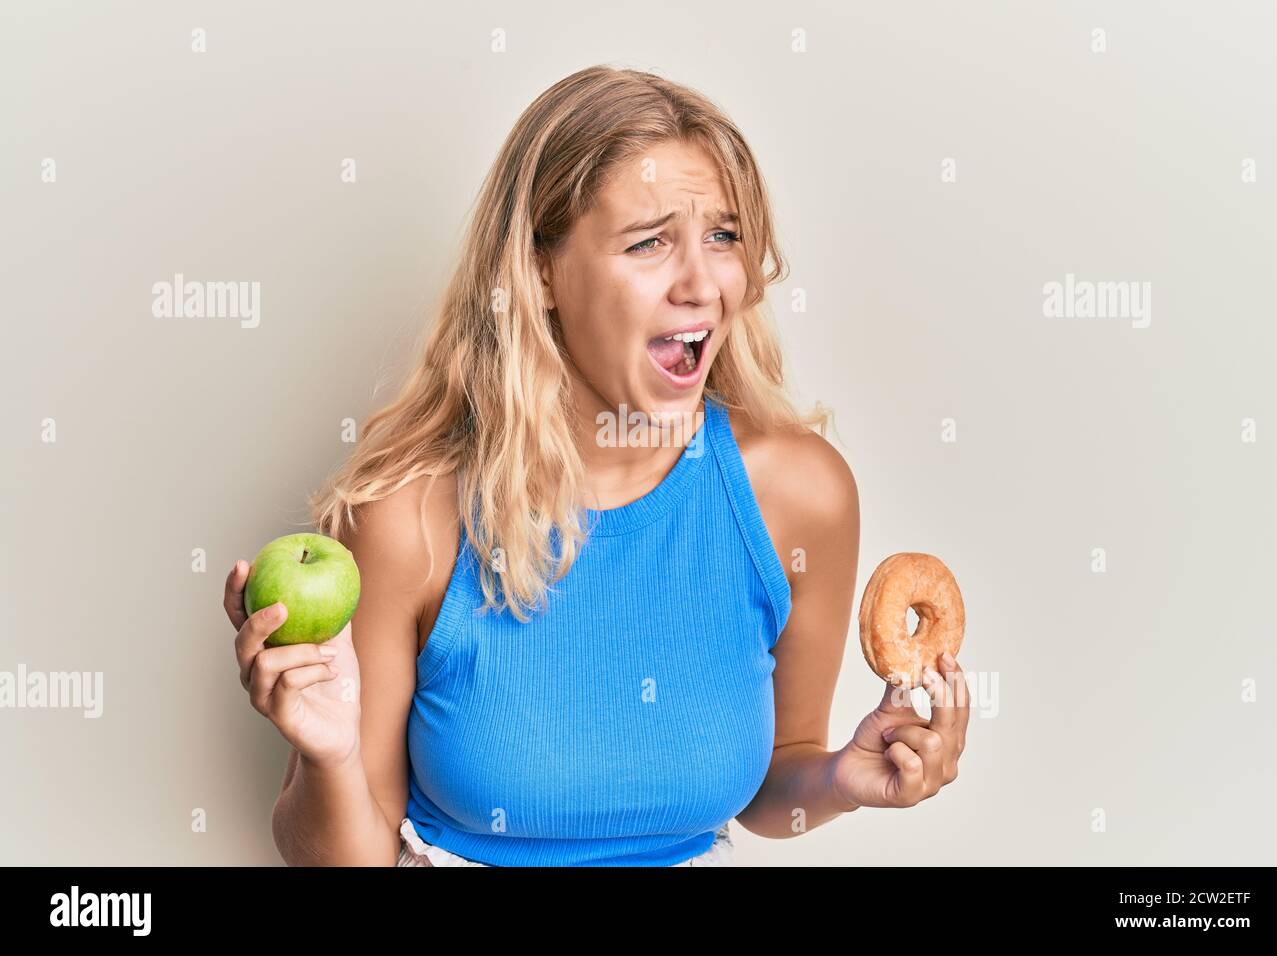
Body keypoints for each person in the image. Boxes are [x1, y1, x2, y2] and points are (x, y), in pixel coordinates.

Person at [222, 64, 968, 867]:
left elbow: (773, 785)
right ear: (540, 271)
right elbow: (341, 860)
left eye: (723, 236)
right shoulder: (409, 517)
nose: (702, 284)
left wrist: (843, 779)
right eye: (649, 242)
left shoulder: (797, 495)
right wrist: (327, 759)